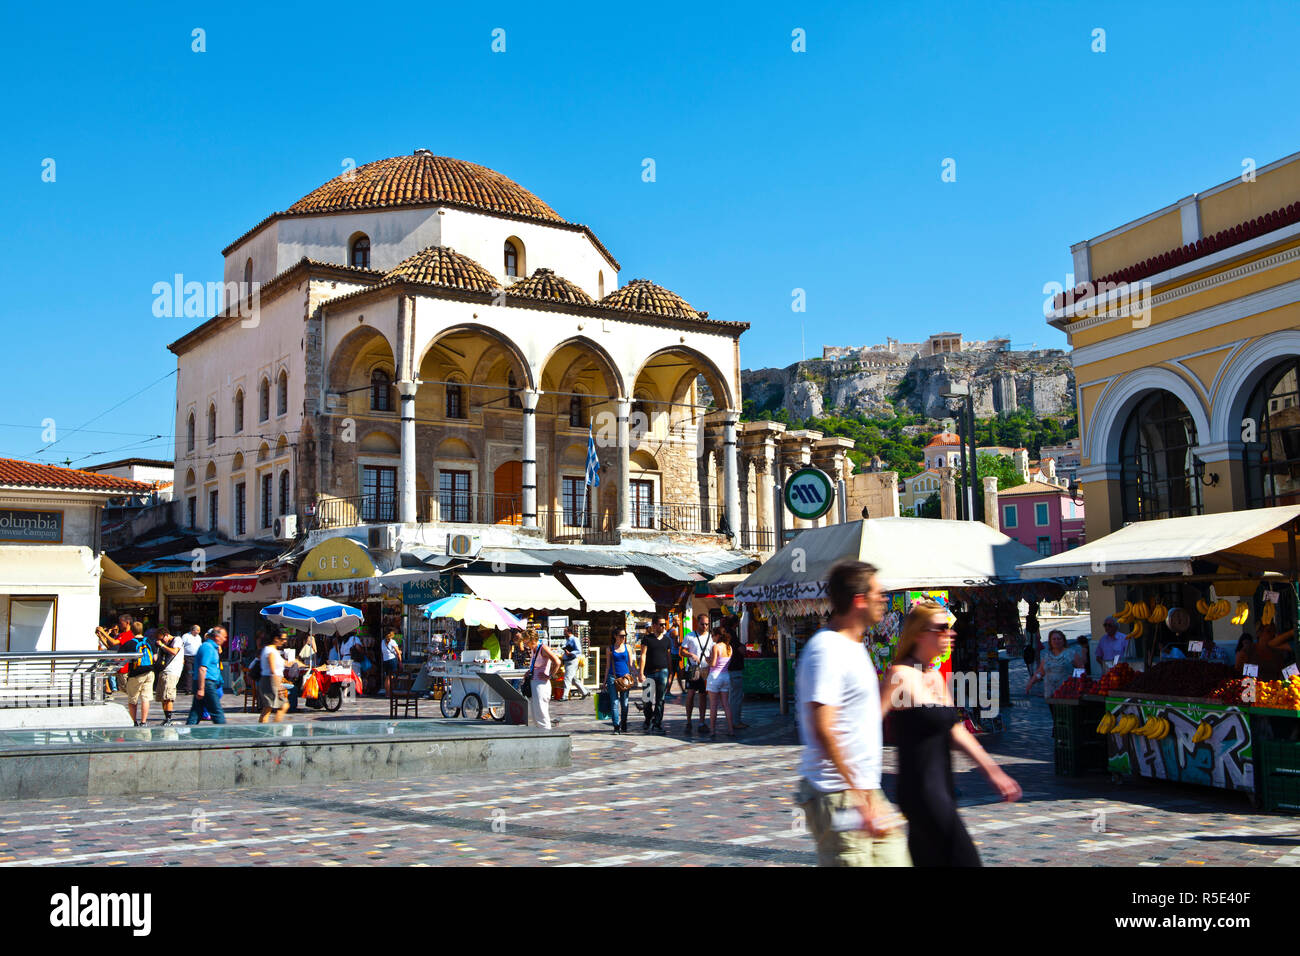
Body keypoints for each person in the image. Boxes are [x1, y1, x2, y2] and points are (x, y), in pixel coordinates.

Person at [882, 600, 1022, 866]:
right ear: (922, 633)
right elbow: (870, 722)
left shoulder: (935, 677)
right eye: (943, 627)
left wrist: (993, 771)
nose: (951, 633)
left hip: (941, 787)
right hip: (921, 791)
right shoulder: (900, 676)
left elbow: (955, 731)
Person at [796, 561, 907, 867]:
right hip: (837, 793)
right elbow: (824, 728)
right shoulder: (827, 650)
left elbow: (861, 719)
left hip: (865, 790)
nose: (884, 599)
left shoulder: (854, 646)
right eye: (878, 593)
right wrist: (859, 797)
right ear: (859, 600)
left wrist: (890, 688)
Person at [1025, 629, 1084, 699]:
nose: (1056, 641)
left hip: (1066, 693)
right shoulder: (1047, 656)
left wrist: (1077, 683)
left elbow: (1081, 669)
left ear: (1063, 640)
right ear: (1050, 642)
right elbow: (1040, 672)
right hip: (1050, 693)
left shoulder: (1071, 653)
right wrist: (1031, 683)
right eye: (1054, 639)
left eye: (1059, 639)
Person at [186, 627, 228, 725]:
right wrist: (201, 688)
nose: (225, 639)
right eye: (224, 637)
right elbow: (202, 668)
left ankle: (188, 732)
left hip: (206, 682)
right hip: (206, 683)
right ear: (217, 637)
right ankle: (223, 735)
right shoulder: (208, 647)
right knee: (217, 712)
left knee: (196, 711)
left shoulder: (212, 647)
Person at [681, 612, 714, 735]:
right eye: (702, 624)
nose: (705, 626)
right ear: (697, 623)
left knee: (702, 695)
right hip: (693, 669)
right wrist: (691, 655)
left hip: (705, 669)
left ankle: (701, 721)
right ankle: (688, 721)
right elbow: (682, 651)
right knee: (690, 694)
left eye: (707, 624)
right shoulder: (690, 636)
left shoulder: (710, 637)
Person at [638, 617, 673, 732]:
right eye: (661, 624)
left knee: (660, 700)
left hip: (663, 672)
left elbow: (669, 657)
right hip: (649, 673)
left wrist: (670, 673)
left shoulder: (667, 640)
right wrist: (641, 673)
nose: (663, 627)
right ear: (654, 625)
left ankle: (657, 723)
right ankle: (648, 719)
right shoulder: (647, 639)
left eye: (665, 625)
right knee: (646, 700)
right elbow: (643, 655)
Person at [526, 631, 562, 729]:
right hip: (534, 682)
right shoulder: (534, 650)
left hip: (541, 684)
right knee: (535, 713)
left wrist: (550, 675)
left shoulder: (543, 648)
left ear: (532, 640)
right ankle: (539, 734)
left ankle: (547, 733)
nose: (525, 644)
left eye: (526, 642)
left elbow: (557, 661)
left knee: (541, 712)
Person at [123, 622, 156, 727]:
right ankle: (143, 721)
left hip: (135, 674)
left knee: (133, 699)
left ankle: (134, 722)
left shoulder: (130, 643)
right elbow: (155, 658)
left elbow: (119, 658)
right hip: (149, 672)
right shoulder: (149, 641)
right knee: (145, 698)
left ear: (131, 630)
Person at [704, 628, 735, 738]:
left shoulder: (716, 647)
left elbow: (712, 664)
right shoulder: (729, 647)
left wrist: (707, 659)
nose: (712, 638)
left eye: (713, 636)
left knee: (713, 705)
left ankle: (712, 730)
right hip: (725, 676)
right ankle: (731, 729)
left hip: (715, 677)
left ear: (718, 636)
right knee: (726, 704)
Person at [606, 628, 635, 734]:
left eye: (625, 636)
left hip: (625, 678)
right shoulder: (610, 648)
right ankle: (616, 726)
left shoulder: (628, 647)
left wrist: (636, 674)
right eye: (621, 636)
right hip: (612, 677)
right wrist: (604, 681)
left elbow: (631, 664)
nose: (623, 638)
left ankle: (624, 723)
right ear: (615, 636)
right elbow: (608, 665)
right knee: (614, 703)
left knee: (625, 703)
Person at [258, 631, 291, 723]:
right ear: (276, 639)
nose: (285, 641)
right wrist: (279, 685)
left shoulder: (273, 650)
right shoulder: (270, 651)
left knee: (283, 706)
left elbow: (283, 664)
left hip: (272, 680)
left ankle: (275, 729)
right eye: (283, 639)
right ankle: (265, 732)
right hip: (270, 681)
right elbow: (273, 670)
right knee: (268, 708)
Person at [154, 628, 184, 726]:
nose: (162, 641)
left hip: (172, 671)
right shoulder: (165, 644)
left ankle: (169, 719)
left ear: (167, 635)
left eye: (162, 639)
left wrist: (162, 645)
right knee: (163, 696)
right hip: (164, 670)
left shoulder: (177, 640)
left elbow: (174, 651)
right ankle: (166, 717)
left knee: (168, 696)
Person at [727, 618, 749, 730]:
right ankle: (735, 721)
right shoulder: (732, 635)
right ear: (735, 624)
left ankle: (732, 720)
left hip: (729, 669)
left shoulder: (726, 635)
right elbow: (740, 650)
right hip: (735, 669)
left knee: (732, 696)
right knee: (736, 697)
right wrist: (743, 648)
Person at [560, 627, 588, 700]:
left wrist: (570, 653)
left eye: (565, 631)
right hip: (567, 661)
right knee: (573, 679)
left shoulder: (574, 639)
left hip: (572, 661)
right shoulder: (567, 640)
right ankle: (584, 692)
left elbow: (579, 650)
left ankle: (565, 696)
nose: (564, 633)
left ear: (569, 632)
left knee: (567, 678)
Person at [180, 625, 204, 694]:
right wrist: (182, 658)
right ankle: (188, 689)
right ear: (193, 630)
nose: (199, 632)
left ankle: (195, 688)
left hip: (196, 657)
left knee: (196, 673)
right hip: (187, 657)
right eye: (198, 630)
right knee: (189, 673)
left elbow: (200, 646)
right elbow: (181, 646)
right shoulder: (186, 636)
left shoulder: (198, 637)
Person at [381, 631, 402, 697]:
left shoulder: (382, 642)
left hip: (385, 660)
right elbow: (398, 652)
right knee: (392, 677)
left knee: (387, 677)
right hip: (392, 660)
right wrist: (400, 661)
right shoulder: (392, 641)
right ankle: (390, 692)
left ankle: (387, 693)